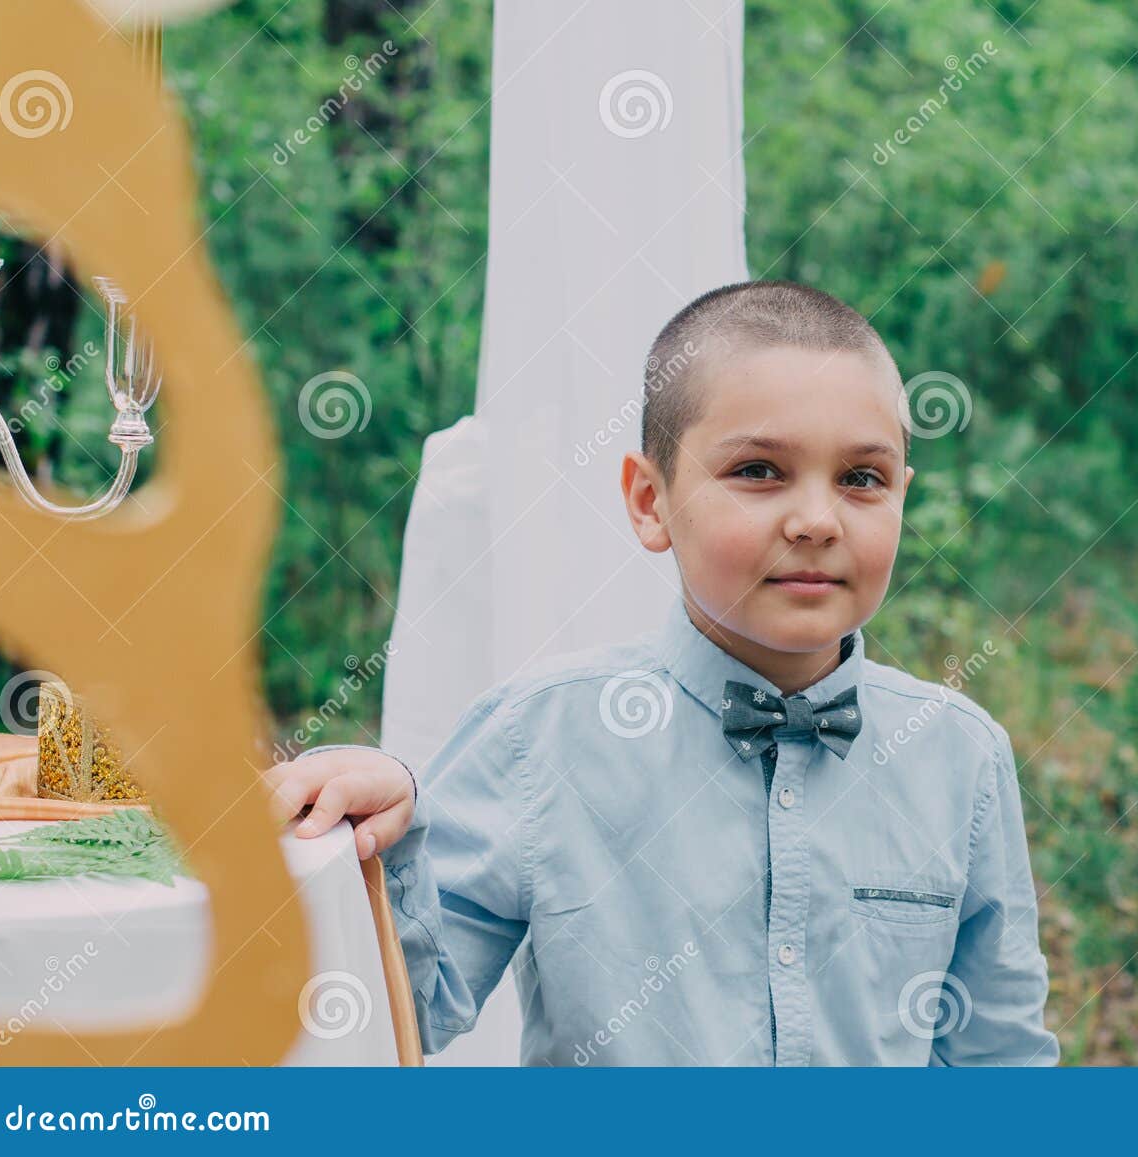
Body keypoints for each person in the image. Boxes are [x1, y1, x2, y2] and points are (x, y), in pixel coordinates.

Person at [264, 279, 1059, 1066]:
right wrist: (377, 844)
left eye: (861, 479)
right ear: (650, 501)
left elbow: (999, 1060)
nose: (817, 520)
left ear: (900, 498)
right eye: (758, 470)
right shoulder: (536, 739)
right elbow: (402, 1011)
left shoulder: (962, 758)